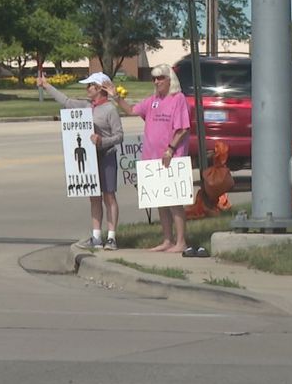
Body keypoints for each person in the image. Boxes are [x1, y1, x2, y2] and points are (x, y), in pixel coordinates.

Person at [39, 71, 124, 250]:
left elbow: (119, 136)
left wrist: (102, 141)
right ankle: (96, 237)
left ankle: (111, 237)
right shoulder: (85, 105)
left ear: (99, 88)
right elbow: (66, 101)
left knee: (109, 196)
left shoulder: (110, 109)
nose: (86, 89)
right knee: (94, 196)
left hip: (107, 155)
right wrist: (47, 86)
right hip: (90, 158)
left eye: (89, 86)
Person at [113, 64, 191, 253]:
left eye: (160, 78)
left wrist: (170, 149)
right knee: (160, 201)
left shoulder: (178, 99)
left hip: (171, 157)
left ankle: (181, 242)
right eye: (154, 79)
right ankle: (167, 240)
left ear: (169, 79)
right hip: (152, 158)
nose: (156, 82)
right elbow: (132, 110)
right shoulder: (153, 100)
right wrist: (116, 98)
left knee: (173, 200)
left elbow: (183, 128)